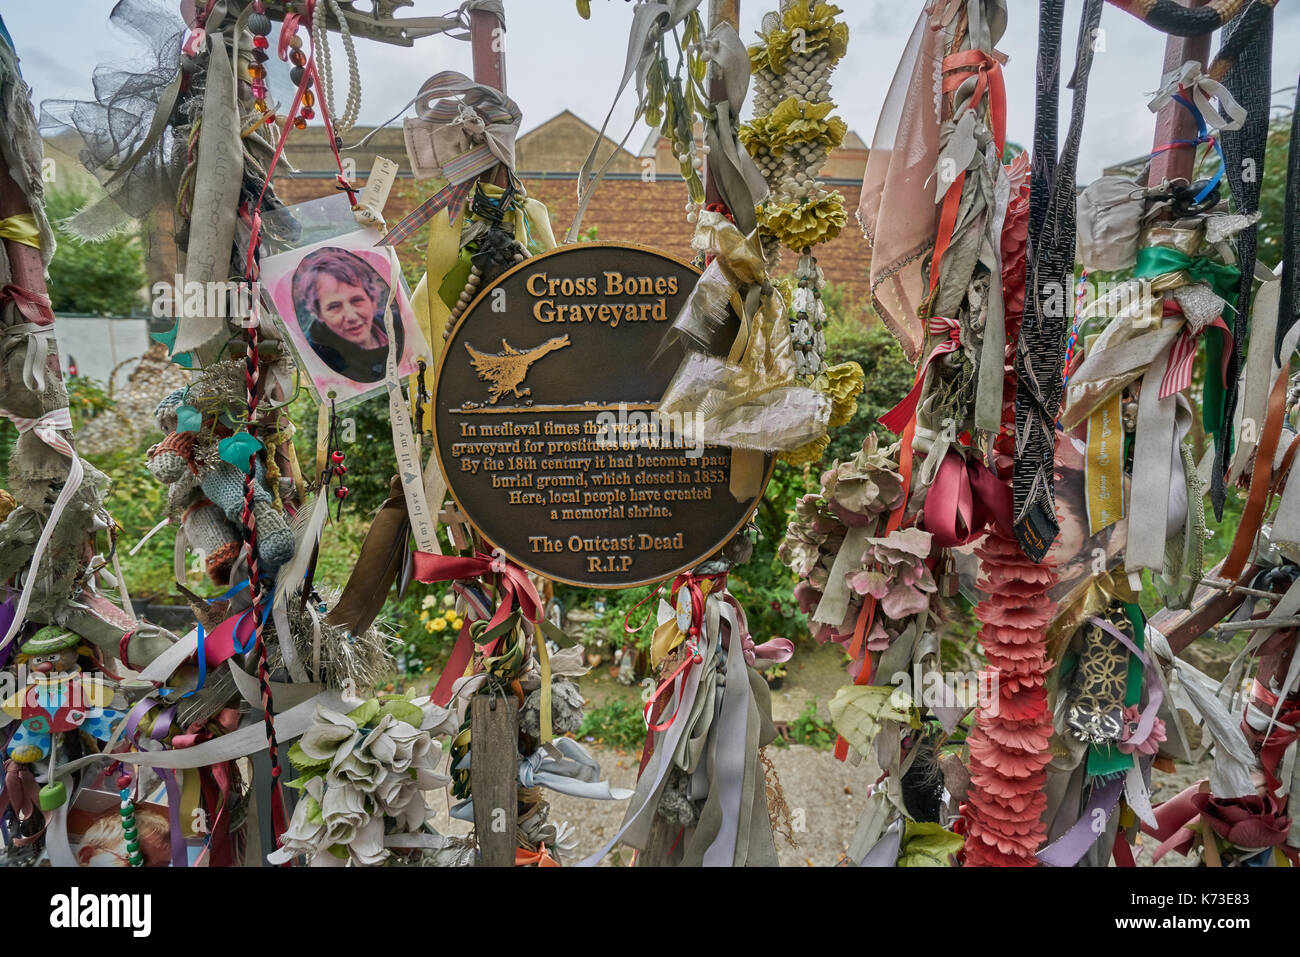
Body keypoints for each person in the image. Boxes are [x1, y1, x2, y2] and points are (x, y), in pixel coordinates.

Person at [291, 248, 403, 383]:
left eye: (357, 300)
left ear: (372, 300)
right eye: (334, 306)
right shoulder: (318, 355)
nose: (351, 316)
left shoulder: (396, 324)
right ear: (319, 314)